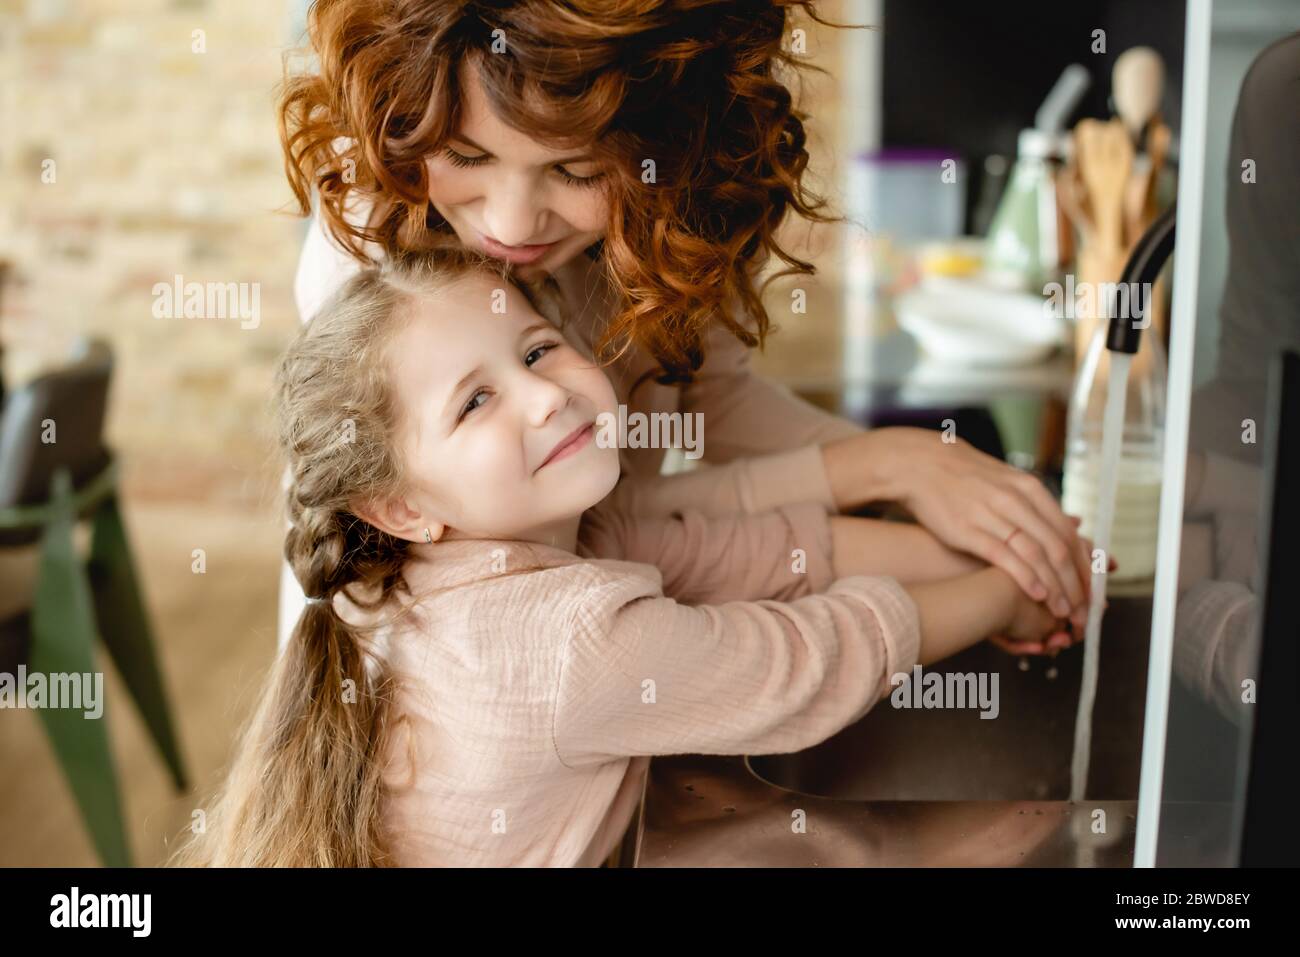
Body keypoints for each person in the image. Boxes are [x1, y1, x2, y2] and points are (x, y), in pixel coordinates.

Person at [173, 250, 1072, 866]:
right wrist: (999, 598)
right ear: (402, 506)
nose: (541, 396)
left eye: (535, 349)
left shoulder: (490, 550)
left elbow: (751, 551)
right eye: (475, 401)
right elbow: (807, 660)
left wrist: (1010, 557)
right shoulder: (561, 644)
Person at [275, 0, 1094, 655]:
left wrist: (918, 481)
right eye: (468, 154)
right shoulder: (371, 250)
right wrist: (884, 468)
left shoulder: (672, 209)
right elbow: (599, 517)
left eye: (577, 170)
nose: (511, 220)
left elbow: (716, 406)